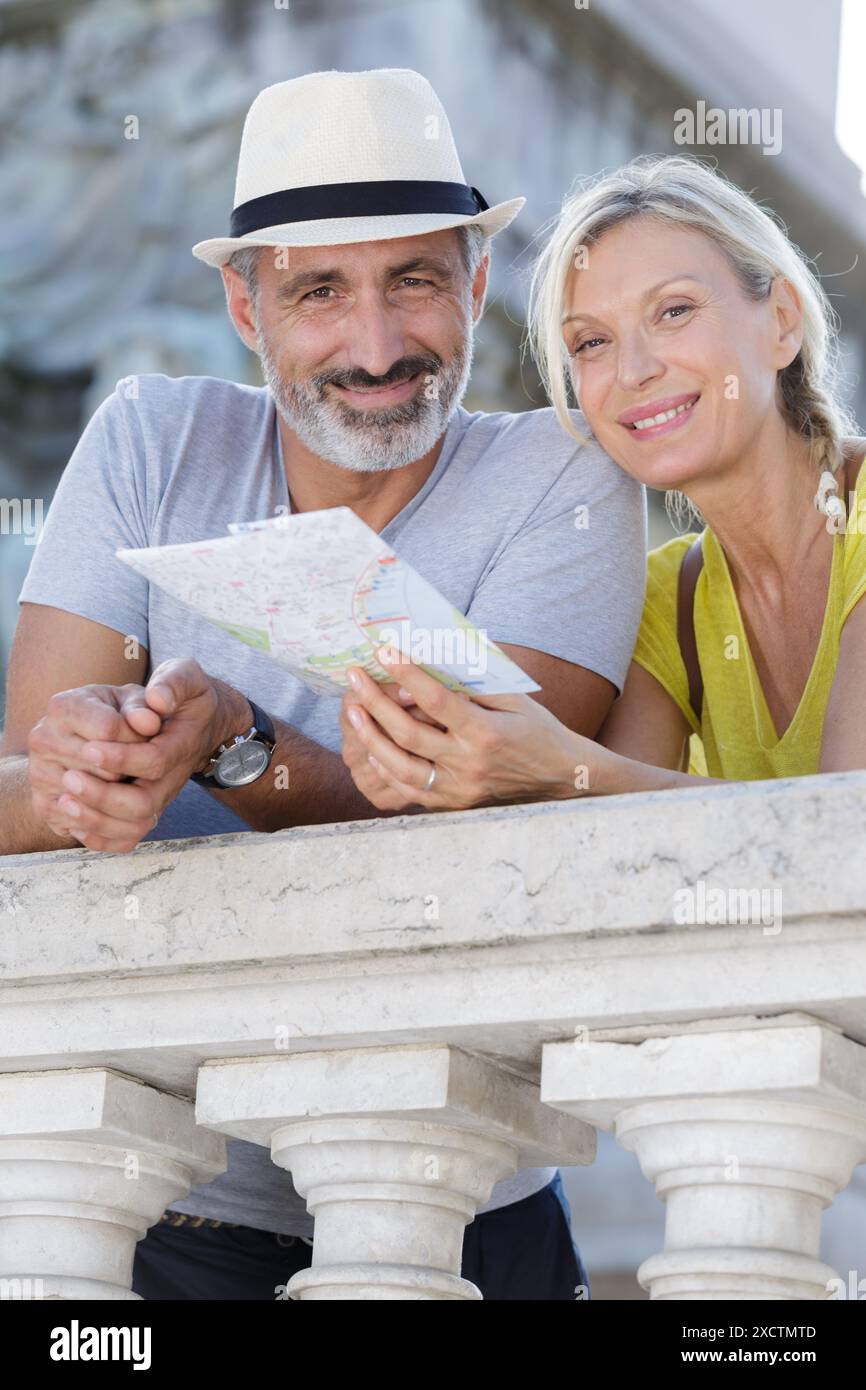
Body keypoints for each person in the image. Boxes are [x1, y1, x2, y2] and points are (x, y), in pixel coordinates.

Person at [1, 70, 647, 1299]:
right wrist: (88, 784)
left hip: (458, 1203)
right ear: (245, 306)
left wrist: (235, 746)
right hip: (151, 1206)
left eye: (413, 279)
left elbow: (492, 816)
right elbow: (20, 795)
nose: (375, 346)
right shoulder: (148, 435)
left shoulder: (560, 477)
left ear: (475, 281)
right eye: (317, 291)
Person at [340, 155, 866, 809]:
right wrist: (423, 756)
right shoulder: (670, 601)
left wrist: (563, 766)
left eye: (674, 311)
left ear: (782, 320)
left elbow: (848, 828)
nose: (634, 370)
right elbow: (611, 841)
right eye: (591, 343)